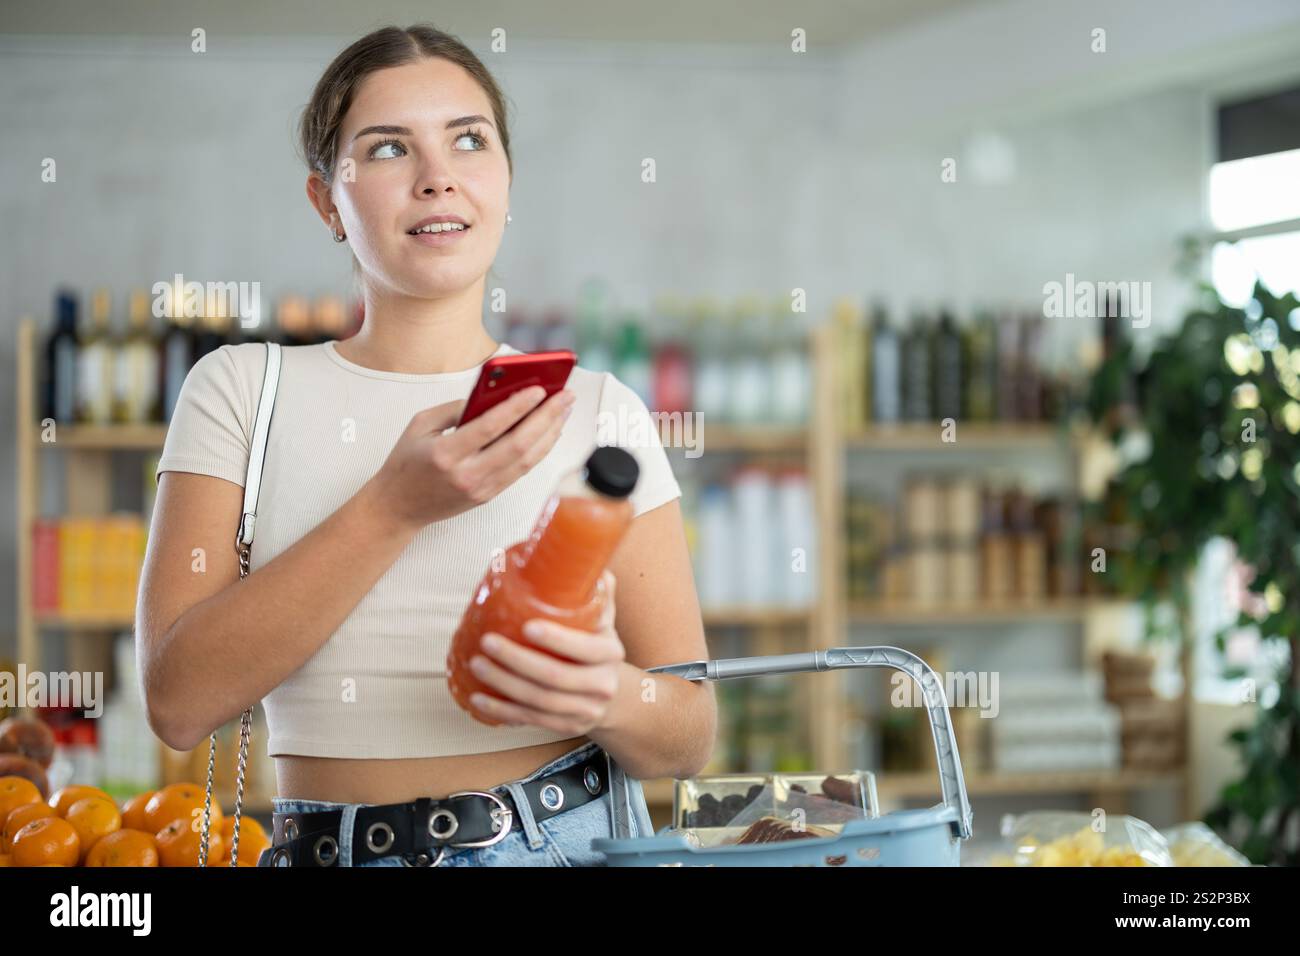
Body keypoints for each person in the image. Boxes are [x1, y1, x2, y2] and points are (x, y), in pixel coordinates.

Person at [137, 23, 715, 867]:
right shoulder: (239, 391)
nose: (437, 177)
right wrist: (394, 507)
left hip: (555, 842)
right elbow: (179, 703)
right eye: (386, 149)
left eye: (469, 141)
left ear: (507, 180)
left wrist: (608, 695)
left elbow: (689, 736)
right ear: (327, 200)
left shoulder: (598, 411)